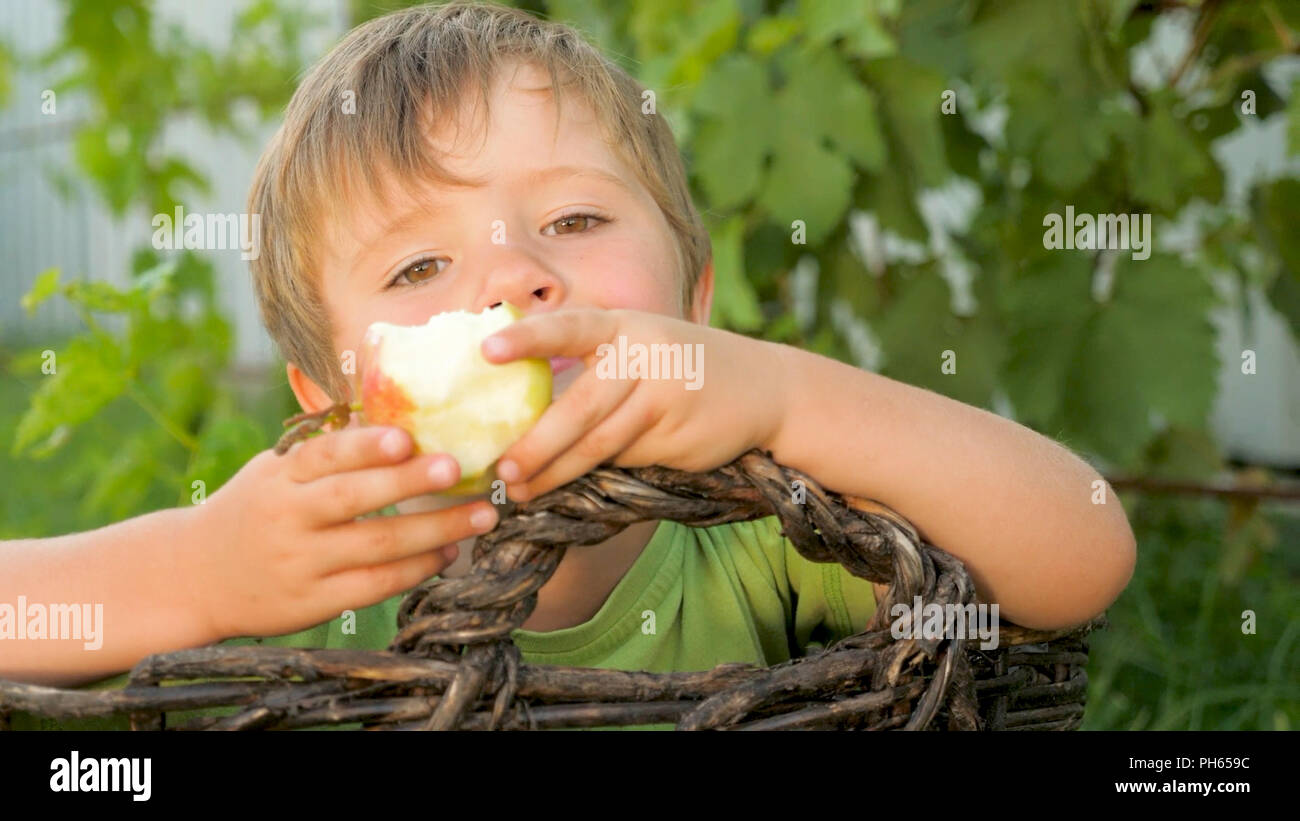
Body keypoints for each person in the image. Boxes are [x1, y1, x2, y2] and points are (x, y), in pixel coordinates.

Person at [1, 2, 1135, 730]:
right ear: (326, 402)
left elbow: (1082, 553)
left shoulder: (767, 526)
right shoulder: (309, 555)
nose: (513, 277)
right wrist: (197, 571)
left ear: (696, 310)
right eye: (419, 266)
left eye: (577, 218)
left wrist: (791, 396)